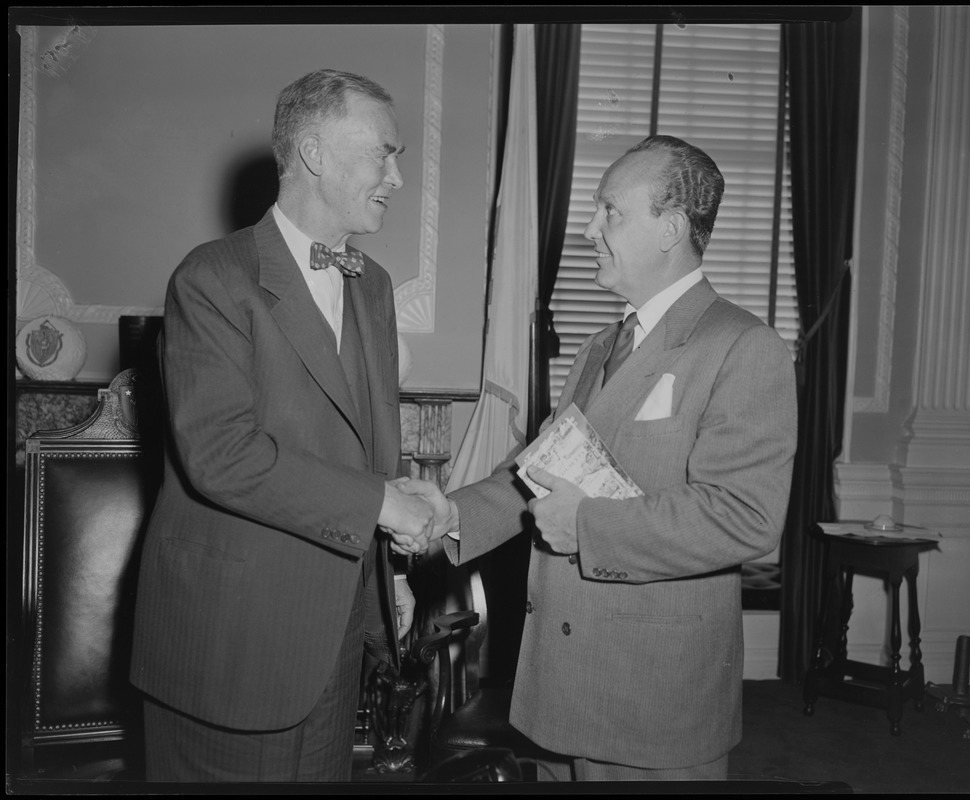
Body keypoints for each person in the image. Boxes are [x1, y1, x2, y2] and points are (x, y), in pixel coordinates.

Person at [401, 135, 798, 781]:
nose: (589, 229)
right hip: (563, 680)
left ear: (670, 228)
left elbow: (745, 517)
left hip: (653, 693)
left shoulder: (742, 345)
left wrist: (586, 526)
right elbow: (539, 473)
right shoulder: (599, 347)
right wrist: (451, 513)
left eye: (609, 211)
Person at [130, 69, 437, 783]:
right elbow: (221, 455)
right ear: (314, 153)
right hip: (231, 647)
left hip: (336, 638)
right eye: (383, 154)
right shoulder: (213, 277)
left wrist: (387, 573)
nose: (396, 177)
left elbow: (366, 448)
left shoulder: (373, 284)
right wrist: (384, 505)